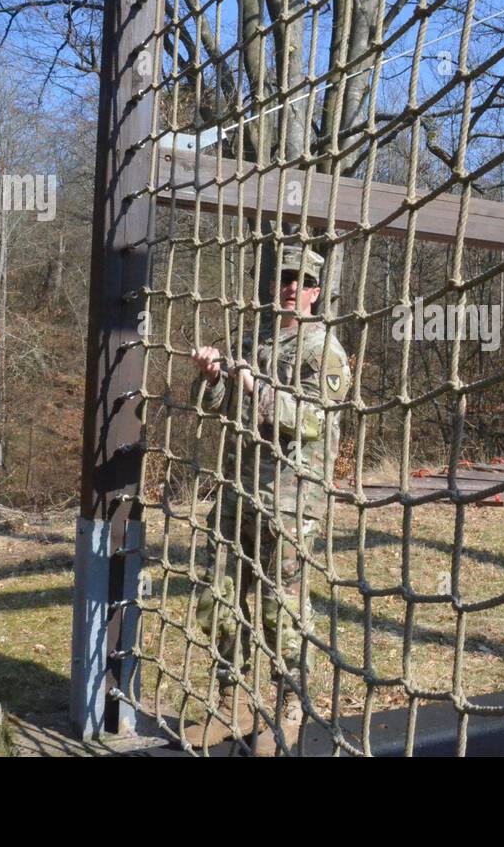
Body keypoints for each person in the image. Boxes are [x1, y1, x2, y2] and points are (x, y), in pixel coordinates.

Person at [186, 244, 350, 754]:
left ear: (315, 292)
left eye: (300, 281)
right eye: (283, 278)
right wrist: (212, 380)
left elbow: (311, 420)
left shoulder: (324, 349)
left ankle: (290, 705)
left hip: (290, 497)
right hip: (238, 489)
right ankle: (230, 697)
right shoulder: (255, 339)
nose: (289, 288)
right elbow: (216, 410)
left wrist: (259, 389)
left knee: (282, 609)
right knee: (218, 597)